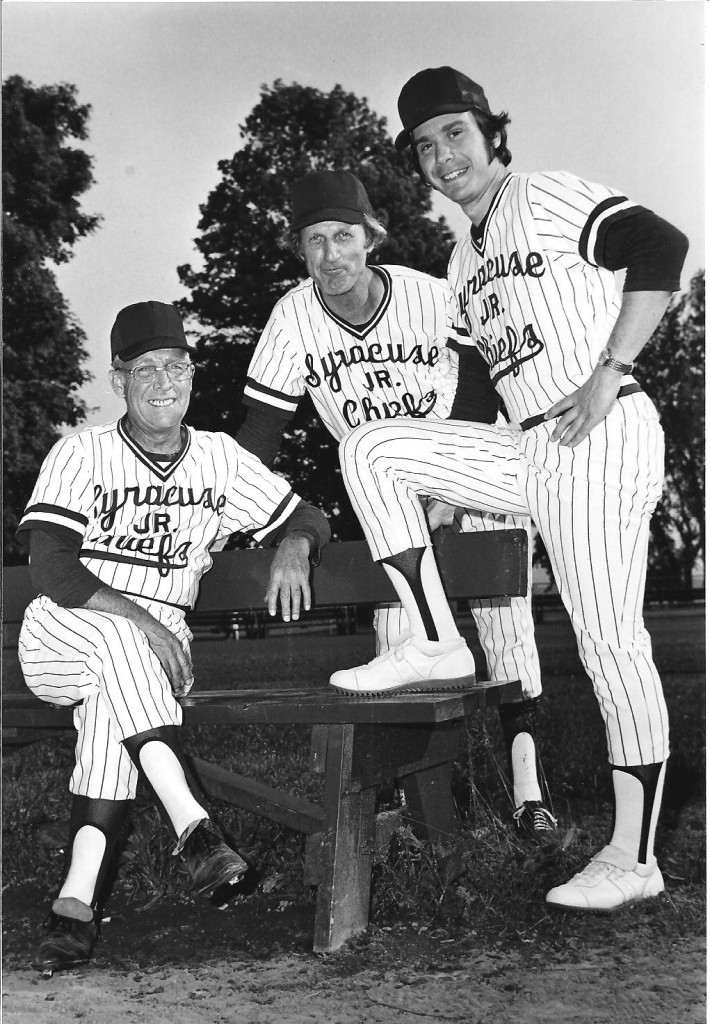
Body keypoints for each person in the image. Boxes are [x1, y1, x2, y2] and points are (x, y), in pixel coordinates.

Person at [331, 66, 688, 912]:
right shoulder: (461, 259)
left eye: (455, 132)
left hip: (600, 433)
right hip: (528, 447)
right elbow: (476, 391)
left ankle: (633, 859)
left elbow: (662, 246)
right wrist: (444, 475)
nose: (442, 154)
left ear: (492, 133)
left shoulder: (550, 195)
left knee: (609, 643)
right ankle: (435, 640)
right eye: (424, 145)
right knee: (376, 447)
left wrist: (611, 371)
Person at [235, 168, 556, 842]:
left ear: (369, 237)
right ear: (302, 250)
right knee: (396, 643)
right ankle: (420, 806)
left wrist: (444, 489)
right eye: (315, 240)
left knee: (505, 635)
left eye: (343, 236)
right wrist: (274, 527)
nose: (330, 255)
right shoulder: (292, 320)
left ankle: (529, 793)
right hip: (389, 500)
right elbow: (258, 438)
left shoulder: (429, 296)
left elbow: (485, 384)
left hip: (468, 467)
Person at [17, 300, 330, 975]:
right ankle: (193, 824)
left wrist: (293, 546)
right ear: (118, 381)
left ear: (191, 374)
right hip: (60, 633)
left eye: (177, 368)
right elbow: (51, 565)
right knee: (118, 645)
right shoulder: (84, 451)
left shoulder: (217, 457)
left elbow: (303, 512)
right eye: (146, 370)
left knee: (113, 710)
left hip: (150, 656)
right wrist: (146, 620)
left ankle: (74, 903)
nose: (164, 383)